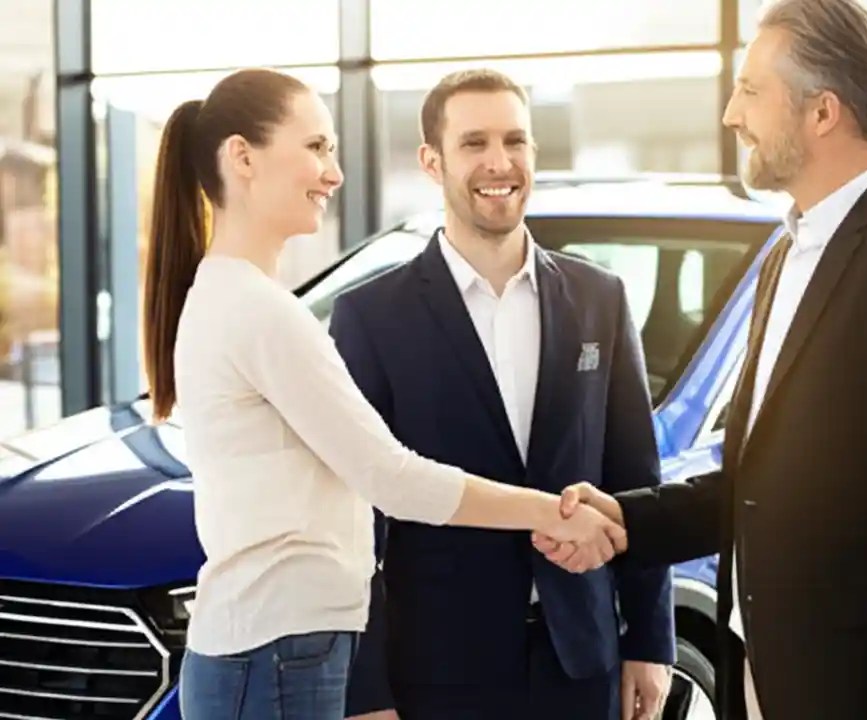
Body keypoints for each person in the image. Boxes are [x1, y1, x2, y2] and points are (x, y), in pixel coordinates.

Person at [537, 0, 867, 718]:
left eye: (751, 91)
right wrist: (625, 520)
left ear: (822, 112)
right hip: (762, 677)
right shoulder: (785, 257)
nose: (732, 115)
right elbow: (758, 484)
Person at [141, 67, 625, 720]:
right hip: (279, 651)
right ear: (242, 157)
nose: (334, 173)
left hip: (270, 647)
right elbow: (390, 478)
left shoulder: (232, 297)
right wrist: (553, 513)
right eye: (316, 147)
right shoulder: (261, 311)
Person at [336, 69, 674, 720]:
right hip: (437, 675)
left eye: (515, 141)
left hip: (581, 663)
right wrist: (365, 692)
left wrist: (649, 642)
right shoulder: (371, 317)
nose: (500, 162)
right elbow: (354, 518)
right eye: (474, 143)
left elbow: (635, 478)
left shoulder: (599, 298)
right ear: (431, 162)